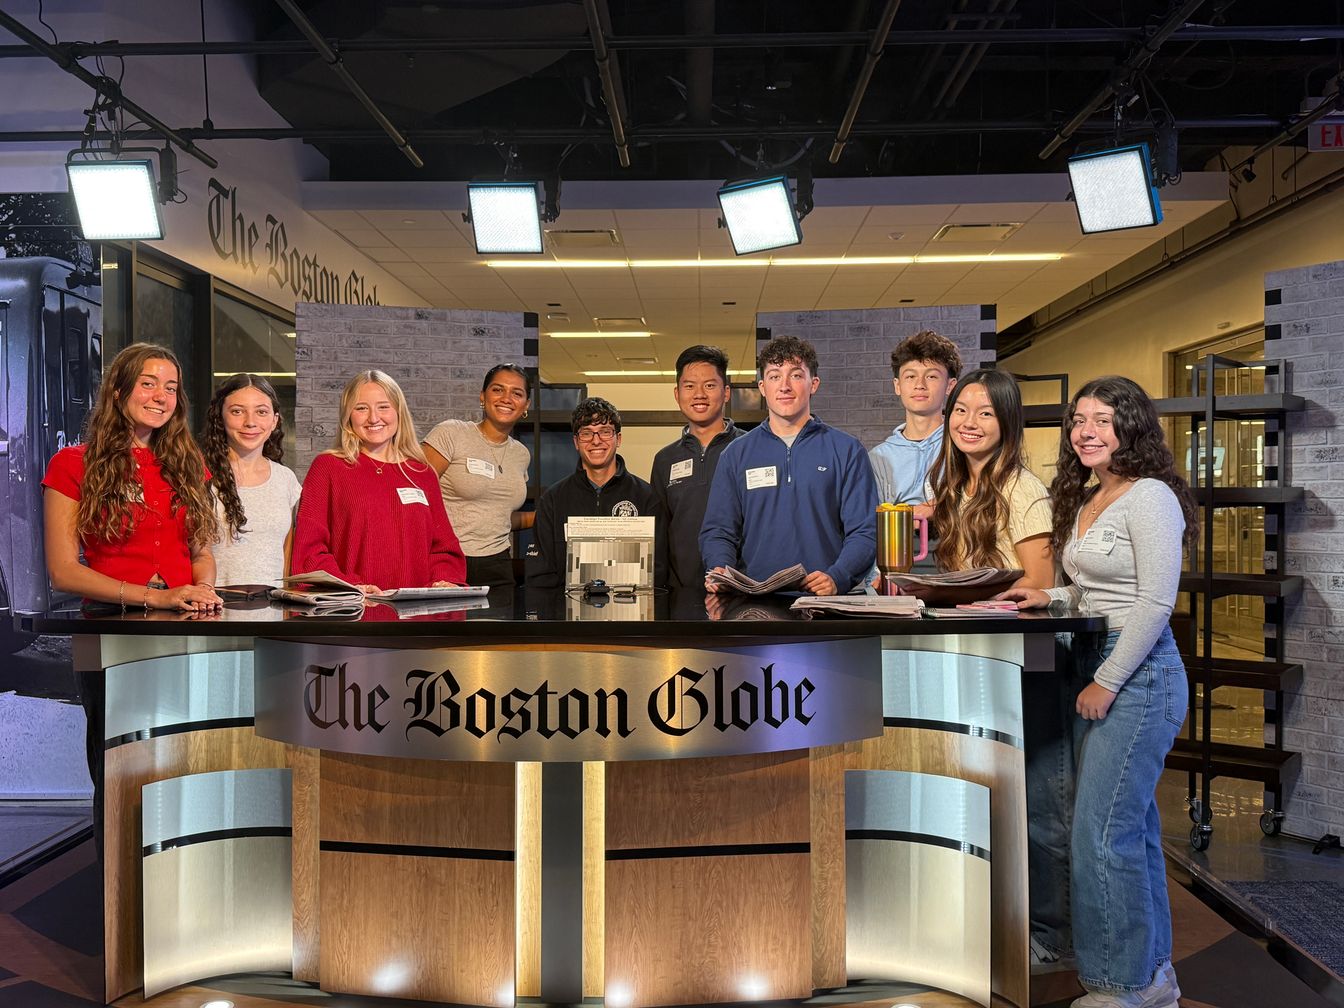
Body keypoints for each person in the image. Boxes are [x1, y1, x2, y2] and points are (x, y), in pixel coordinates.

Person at [999, 376, 1198, 1008]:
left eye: (1102, 420)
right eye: (1079, 420)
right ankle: (1152, 979)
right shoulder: (1092, 495)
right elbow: (1094, 590)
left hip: (1137, 673)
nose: (1086, 432)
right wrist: (1049, 596)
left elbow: (1155, 602)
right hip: (1092, 658)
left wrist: (1107, 682)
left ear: (1131, 426)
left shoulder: (1151, 497)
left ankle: (1118, 988)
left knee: (1101, 833)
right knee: (1131, 832)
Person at [42, 342, 222, 613]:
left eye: (171, 388)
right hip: (112, 616)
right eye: (148, 384)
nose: (161, 397)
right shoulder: (72, 463)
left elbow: (202, 553)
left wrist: (204, 591)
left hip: (183, 613)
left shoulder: (189, 462)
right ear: (118, 391)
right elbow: (63, 572)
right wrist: (157, 597)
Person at [700, 335, 877, 596]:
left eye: (795, 375)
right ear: (762, 387)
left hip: (824, 601)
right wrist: (720, 570)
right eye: (774, 376)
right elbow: (718, 530)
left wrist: (838, 576)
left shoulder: (847, 450)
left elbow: (865, 531)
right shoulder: (736, 454)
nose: (784, 386)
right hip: (755, 603)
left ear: (813, 383)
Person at [292, 369, 465, 593]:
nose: (373, 418)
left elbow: (443, 549)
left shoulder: (422, 474)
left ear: (399, 412)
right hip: (353, 607)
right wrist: (350, 587)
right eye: (361, 408)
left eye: (383, 407)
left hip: (414, 610)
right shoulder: (328, 467)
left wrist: (444, 579)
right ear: (348, 416)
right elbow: (310, 549)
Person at [927, 368, 1053, 589]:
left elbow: (1041, 583)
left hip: (1011, 612)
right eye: (960, 410)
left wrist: (962, 596)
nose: (969, 423)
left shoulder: (1021, 487)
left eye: (985, 414)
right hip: (972, 610)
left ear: (1006, 421)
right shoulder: (959, 487)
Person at [525, 397, 662, 590]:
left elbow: (658, 570)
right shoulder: (552, 500)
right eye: (586, 433)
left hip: (631, 606)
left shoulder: (646, 497)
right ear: (576, 442)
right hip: (566, 607)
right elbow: (540, 575)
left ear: (618, 439)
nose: (596, 441)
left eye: (605, 432)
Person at [423, 363, 533, 594]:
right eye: (498, 389)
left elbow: (498, 516)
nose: (506, 398)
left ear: (526, 405)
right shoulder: (452, 433)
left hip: (498, 564)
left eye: (517, 393)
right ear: (483, 396)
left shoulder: (521, 454)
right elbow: (415, 499)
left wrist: (547, 515)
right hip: (446, 562)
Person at [650, 345, 745, 589]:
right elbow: (658, 533)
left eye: (710, 385)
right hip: (680, 593)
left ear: (726, 392)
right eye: (690, 386)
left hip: (742, 589)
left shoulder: (750, 450)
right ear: (677, 393)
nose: (699, 394)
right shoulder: (664, 460)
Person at [202, 373, 302, 587]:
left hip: (272, 604)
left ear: (274, 420)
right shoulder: (200, 476)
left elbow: (288, 550)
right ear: (220, 417)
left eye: (261, 412)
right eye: (237, 411)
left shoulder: (286, 480)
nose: (250, 422)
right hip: (214, 603)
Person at [869, 329, 962, 518]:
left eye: (931, 376)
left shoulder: (963, 444)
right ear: (897, 386)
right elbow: (872, 518)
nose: (920, 385)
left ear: (950, 386)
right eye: (910, 376)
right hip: (898, 537)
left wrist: (937, 507)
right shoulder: (878, 457)